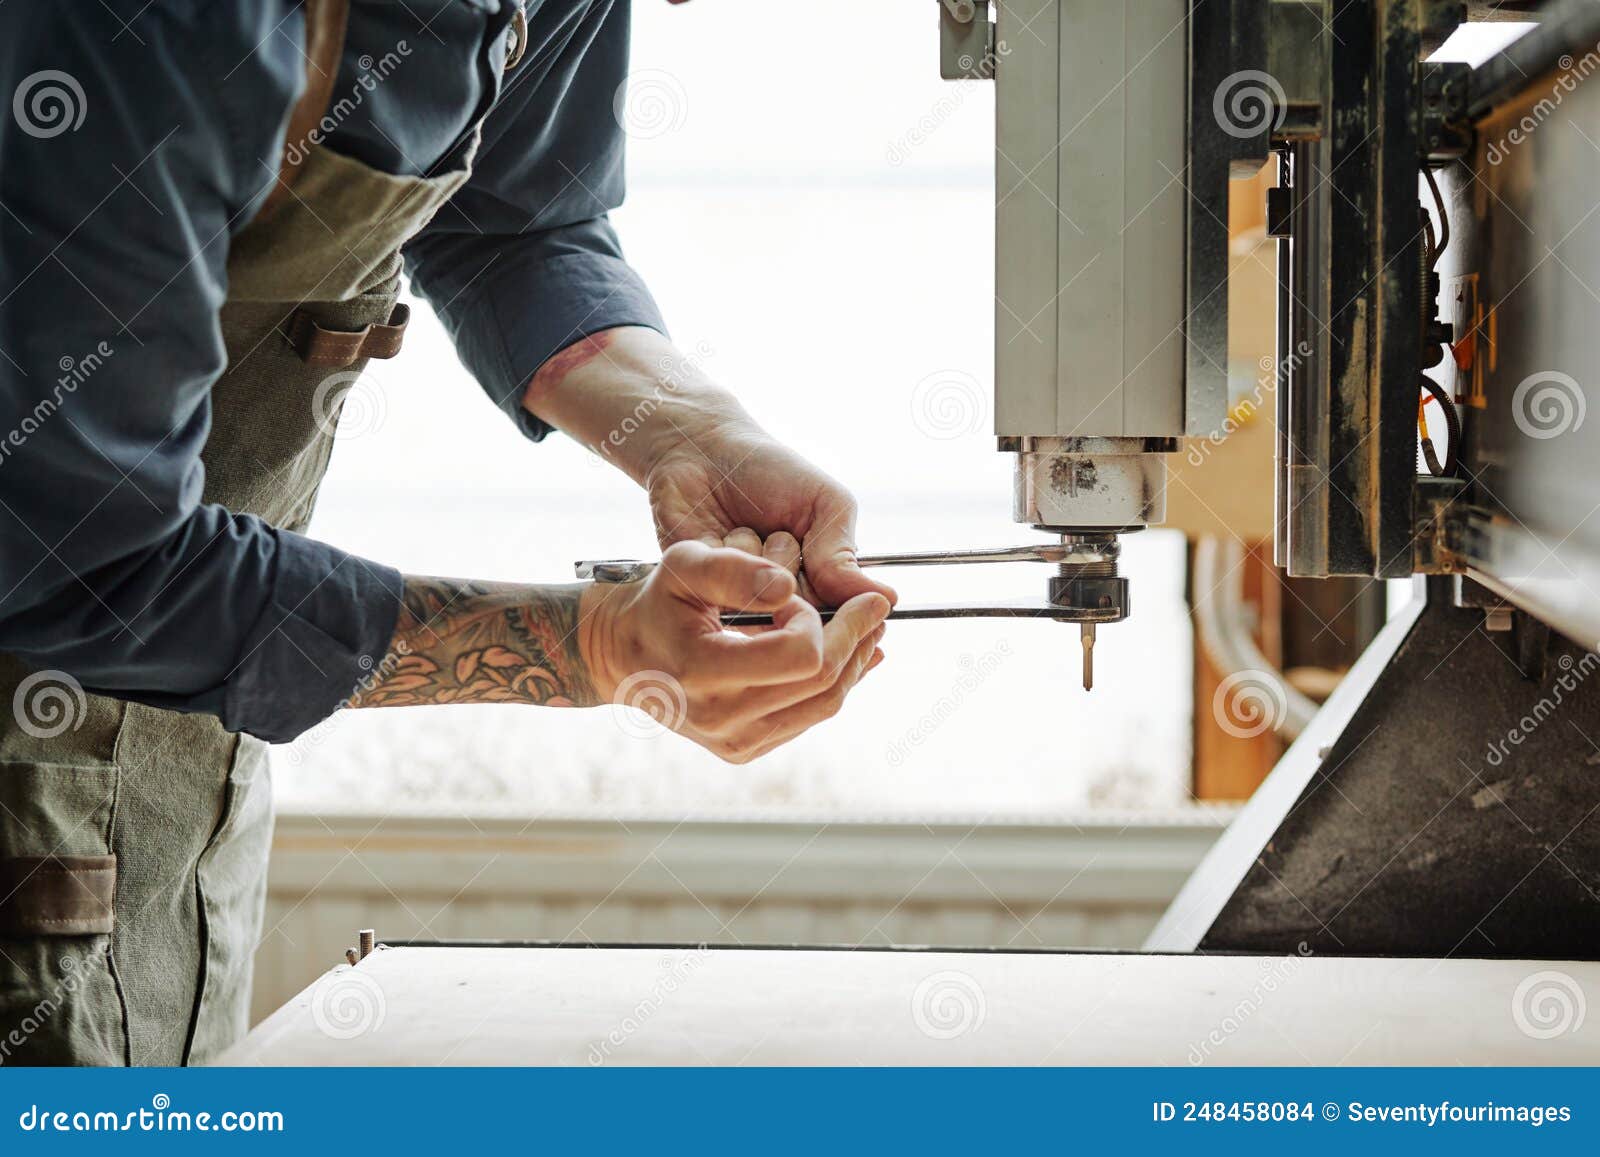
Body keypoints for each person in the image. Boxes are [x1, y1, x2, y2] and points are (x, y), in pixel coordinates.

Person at [0, 0, 895, 1065]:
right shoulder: (156, 27)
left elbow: (516, 222)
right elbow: (84, 558)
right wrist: (596, 647)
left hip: (181, 787)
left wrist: (690, 435)